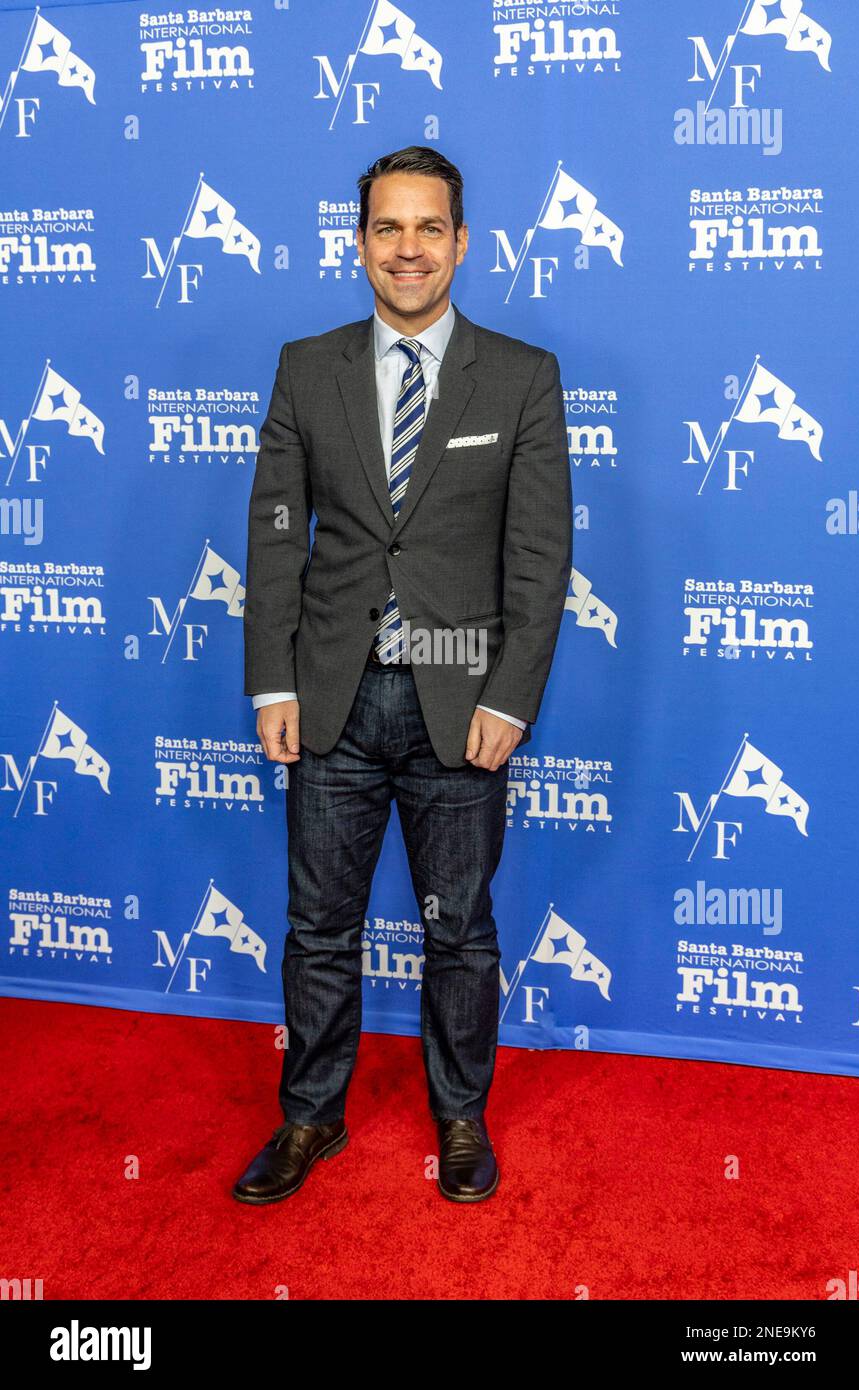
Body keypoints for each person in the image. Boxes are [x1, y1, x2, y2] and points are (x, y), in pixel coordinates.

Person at [233, 145, 572, 1206]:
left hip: (458, 701)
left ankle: (459, 1117)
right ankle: (308, 1117)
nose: (409, 249)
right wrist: (271, 683)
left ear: (462, 243)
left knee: (458, 931)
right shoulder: (306, 366)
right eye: (388, 228)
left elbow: (537, 553)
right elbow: (277, 536)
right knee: (317, 928)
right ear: (358, 243)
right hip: (330, 697)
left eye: (430, 228)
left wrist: (509, 694)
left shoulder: (521, 377)